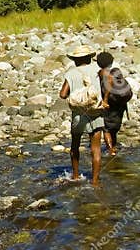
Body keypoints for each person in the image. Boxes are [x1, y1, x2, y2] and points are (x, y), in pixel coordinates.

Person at [59, 45, 104, 187]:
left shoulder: (71, 73)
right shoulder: (98, 70)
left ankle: (76, 175)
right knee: (95, 149)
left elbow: (62, 94)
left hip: (79, 114)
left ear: (75, 59)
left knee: (75, 146)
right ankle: (95, 181)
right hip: (96, 112)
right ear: (90, 57)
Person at [96, 52, 132, 156]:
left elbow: (108, 85)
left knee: (106, 129)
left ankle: (110, 150)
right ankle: (114, 147)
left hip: (109, 104)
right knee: (114, 128)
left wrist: (105, 100)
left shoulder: (103, 73)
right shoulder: (116, 73)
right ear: (111, 62)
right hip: (119, 103)